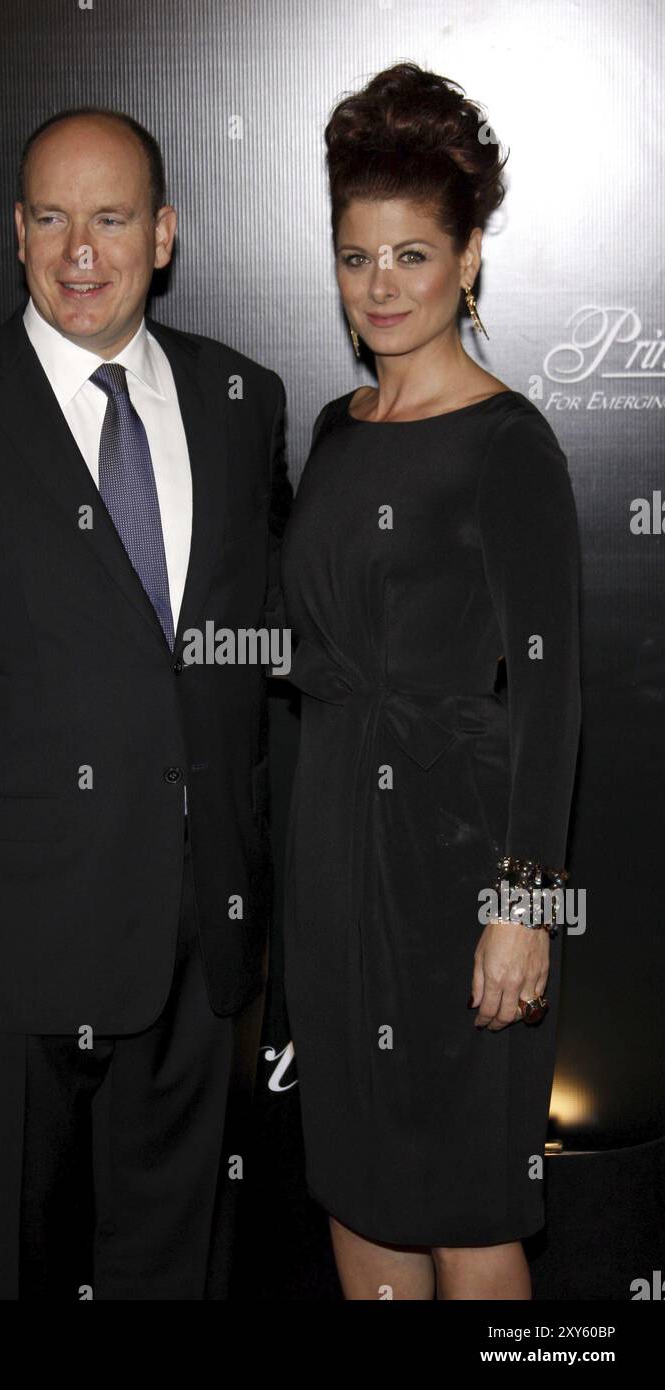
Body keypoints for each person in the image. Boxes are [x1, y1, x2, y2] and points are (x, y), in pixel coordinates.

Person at [0, 107, 290, 1300]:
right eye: (50, 217)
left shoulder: (244, 403)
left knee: (176, 1273)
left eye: (112, 217)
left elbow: (245, 665)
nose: (80, 250)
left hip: (201, 947)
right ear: (15, 231)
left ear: (166, 233)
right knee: (6, 1281)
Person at [280, 62, 581, 1300]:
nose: (382, 286)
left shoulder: (509, 440)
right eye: (357, 258)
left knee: (464, 1199)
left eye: (411, 255)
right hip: (332, 841)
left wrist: (524, 904)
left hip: (459, 854)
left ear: (467, 260)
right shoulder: (334, 429)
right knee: (357, 1183)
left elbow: (554, 691)